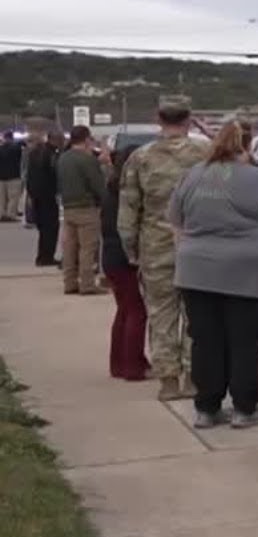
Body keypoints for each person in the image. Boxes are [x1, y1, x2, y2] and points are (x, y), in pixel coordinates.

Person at [168, 120, 258, 429]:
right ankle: (244, 408)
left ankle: (207, 407)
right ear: (247, 146)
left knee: (205, 340)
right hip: (250, 271)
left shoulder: (191, 176)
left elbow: (176, 224)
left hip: (197, 271)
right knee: (247, 340)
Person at [119, 96, 212, 402]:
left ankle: (168, 380)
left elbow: (129, 211)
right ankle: (191, 377)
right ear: (188, 120)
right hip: (199, 245)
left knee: (161, 315)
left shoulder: (140, 158)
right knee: (195, 315)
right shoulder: (206, 153)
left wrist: (131, 249)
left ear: (158, 120)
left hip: (155, 247)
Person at [102, 145, 150, 382]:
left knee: (124, 309)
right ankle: (132, 365)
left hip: (111, 256)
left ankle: (119, 362)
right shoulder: (127, 194)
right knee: (136, 311)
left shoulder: (111, 188)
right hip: (124, 256)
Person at [56, 126, 108, 295]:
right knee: (87, 248)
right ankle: (87, 284)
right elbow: (98, 185)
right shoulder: (87, 159)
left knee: (69, 248)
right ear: (86, 139)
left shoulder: (63, 158)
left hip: (68, 207)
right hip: (86, 208)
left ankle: (69, 282)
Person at [24, 120, 62, 267]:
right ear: (54, 139)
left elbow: (30, 174)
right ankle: (47, 257)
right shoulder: (51, 154)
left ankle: (42, 256)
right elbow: (54, 171)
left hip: (37, 195)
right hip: (48, 195)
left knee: (43, 228)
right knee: (51, 228)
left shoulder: (34, 153)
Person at [0, 131, 22, 222]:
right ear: (12, 138)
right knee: (13, 198)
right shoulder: (16, 148)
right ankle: (11, 215)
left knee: (1, 198)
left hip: (0, 177)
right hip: (14, 176)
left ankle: (1, 214)